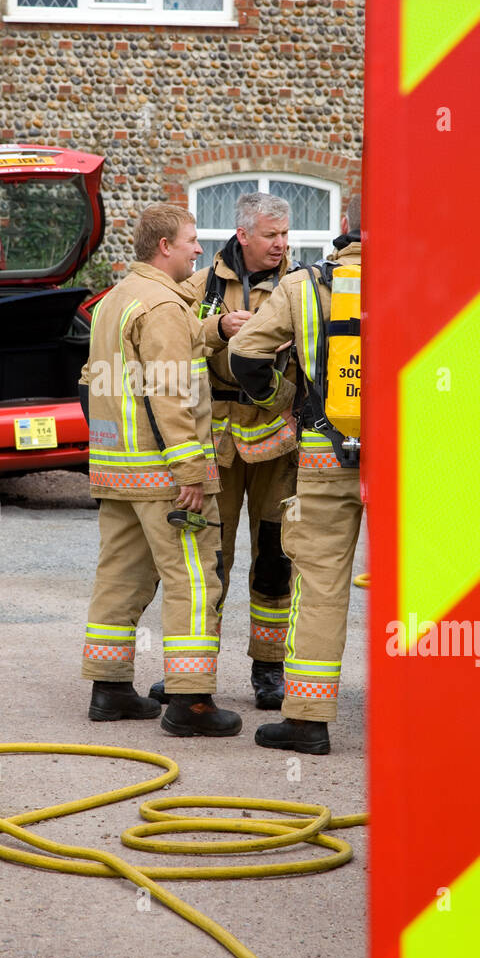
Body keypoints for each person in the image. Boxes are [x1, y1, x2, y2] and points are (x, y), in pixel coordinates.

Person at [80, 203, 242, 737]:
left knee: (120, 576)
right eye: (192, 241)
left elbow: (97, 380)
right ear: (164, 246)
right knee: (195, 580)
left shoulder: (118, 300)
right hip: (168, 477)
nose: (200, 250)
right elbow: (171, 391)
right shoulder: (163, 310)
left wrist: (216, 326)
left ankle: (110, 689)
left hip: (118, 471)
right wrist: (191, 472)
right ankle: (190, 703)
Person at [150, 192, 299, 711]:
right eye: (270, 235)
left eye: (284, 235)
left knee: (274, 562)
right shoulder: (202, 284)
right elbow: (172, 335)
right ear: (243, 236)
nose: (280, 244)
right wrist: (217, 329)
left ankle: (268, 669)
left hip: (277, 446)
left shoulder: (298, 284)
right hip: (218, 444)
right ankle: (194, 678)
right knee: (208, 560)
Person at [229, 196, 363, 754]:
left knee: (320, 582)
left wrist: (286, 397)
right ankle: (433, 717)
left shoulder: (303, 286)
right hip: (411, 460)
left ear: (343, 228)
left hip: (327, 454)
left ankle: (307, 719)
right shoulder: (436, 275)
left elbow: (244, 354)